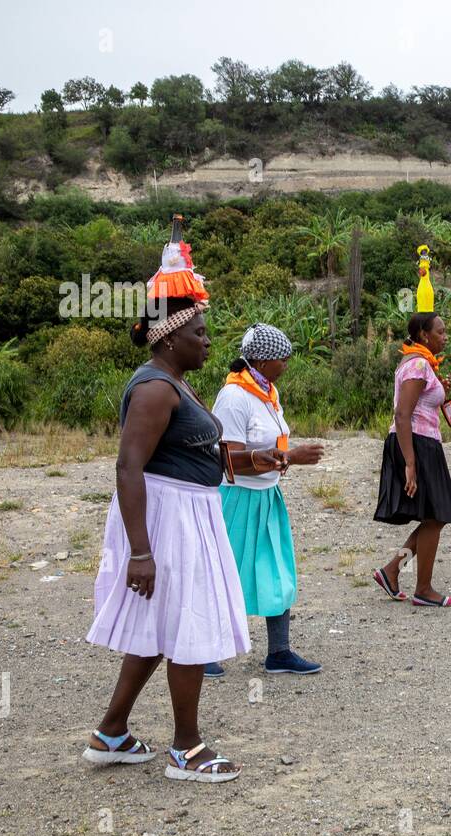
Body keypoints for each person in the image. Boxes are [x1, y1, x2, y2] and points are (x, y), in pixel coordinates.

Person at [83, 293, 276, 783]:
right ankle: (187, 749)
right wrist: (140, 552)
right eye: (200, 333)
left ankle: (111, 733)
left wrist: (270, 459)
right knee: (190, 624)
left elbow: (204, 457)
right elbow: (128, 467)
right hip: (169, 518)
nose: (209, 341)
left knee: (158, 628)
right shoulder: (153, 389)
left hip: (188, 511)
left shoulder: (177, 384)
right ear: (169, 338)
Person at [205, 323, 326, 679]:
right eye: (282, 358)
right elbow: (230, 458)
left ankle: (279, 652)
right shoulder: (234, 397)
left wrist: (287, 456)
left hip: (266, 495)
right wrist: (291, 458)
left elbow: (276, 443)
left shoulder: (266, 392)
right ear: (261, 358)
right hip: (237, 498)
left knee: (277, 572)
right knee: (223, 574)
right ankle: (202, 654)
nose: (287, 363)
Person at [373, 312, 451, 607]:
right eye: (440, 331)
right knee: (435, 515)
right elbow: (402, 414)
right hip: (416, 444)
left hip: (424, 442)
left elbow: (420, 405)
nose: (445, 336)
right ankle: (423, 589)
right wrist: (410, 462)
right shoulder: (418, 363)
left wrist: (441, 392)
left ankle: (391, 571)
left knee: (433, 516)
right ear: (424, 335)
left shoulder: (423, 363)